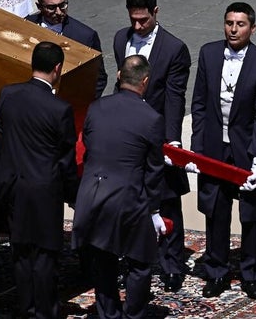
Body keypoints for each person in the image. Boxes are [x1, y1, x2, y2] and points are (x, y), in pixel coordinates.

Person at [187, 2, 256, 300]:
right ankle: (216, 272)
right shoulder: (209, 54)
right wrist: (197, 150)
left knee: (251, 215)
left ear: (253, 28)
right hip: (214, 147)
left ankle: (252, 274)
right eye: (229, 23)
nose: (233, 29)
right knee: (215, 211)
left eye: (240, 24)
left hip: (247, 149)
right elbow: (199, 104)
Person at [71, 55, 164, 319]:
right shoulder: (151, 118)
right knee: (140, 261)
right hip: (129, 198)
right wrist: (154, 209)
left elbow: (88, 144)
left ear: (119, 76)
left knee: (103, 259)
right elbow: (154, 169)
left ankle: (108, 314)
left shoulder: (97, 108)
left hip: (93, 193)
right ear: (145, 82)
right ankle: (133, 314)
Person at [111, 0, 191, 291]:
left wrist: (172, 140)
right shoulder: (121, 39)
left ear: (155, 13)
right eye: (133, 20)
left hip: (157, 132)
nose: (137, 26)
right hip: (127, 134)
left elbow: (174, 97)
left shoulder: (173, 49)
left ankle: (172, 264)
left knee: (167, 199)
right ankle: (130, 256)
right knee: (127, 197)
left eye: (143, 20)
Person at [0, 41, 78, 319]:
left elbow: (2, 140)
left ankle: (26, 308)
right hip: (45, 191)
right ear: (57, 69)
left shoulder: (8, 94)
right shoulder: (60, 109)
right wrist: (73, 194)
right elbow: (65, 159)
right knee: (45, 256)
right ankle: (45, 312)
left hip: (15, 187)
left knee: (20, 252)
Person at [24, 0, 107, 98]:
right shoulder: (26, 26)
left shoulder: (84, 36)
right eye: (51, 7)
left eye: (63, 5)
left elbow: (98, 79)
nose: (58, 12)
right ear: (39, 6)